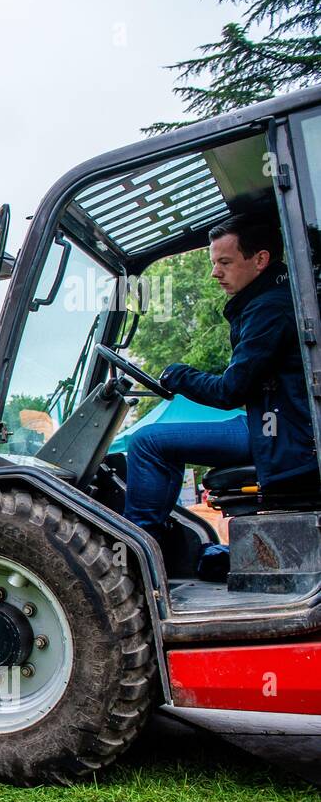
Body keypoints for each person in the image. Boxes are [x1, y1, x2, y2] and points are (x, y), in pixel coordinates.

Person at [125, 214, 318, 554]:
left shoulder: (269, 310)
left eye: (224, 262)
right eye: (215, 263)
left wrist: (179, 375)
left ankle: (135, 556)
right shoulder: (269, 301)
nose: (215, 272)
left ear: (260, 260)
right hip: (276, 426)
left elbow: (230, 390)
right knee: (155, 441)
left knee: (147, 442)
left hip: (283, 437)